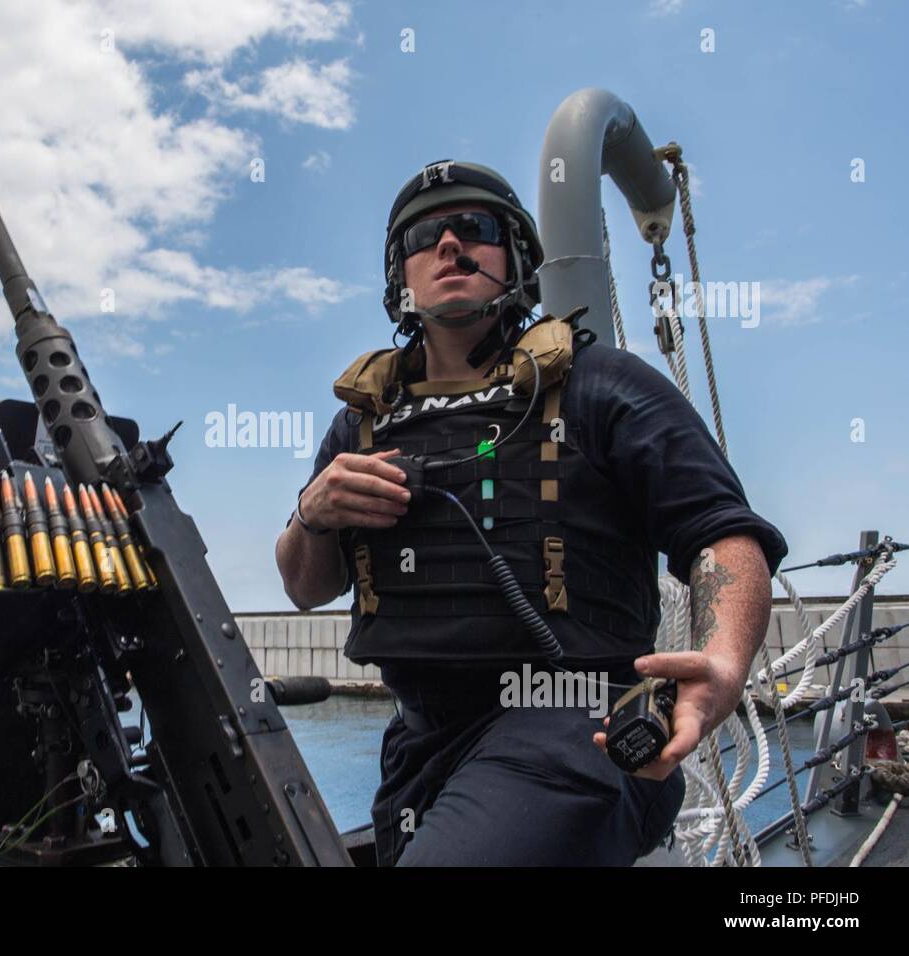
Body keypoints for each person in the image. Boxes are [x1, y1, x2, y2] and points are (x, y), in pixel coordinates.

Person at [273, 160, 788, 866]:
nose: (450, 244)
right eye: (427, 236)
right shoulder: (361, 426)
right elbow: (305, 589)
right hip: (420, 747)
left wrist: (723, 663)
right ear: (401, 275)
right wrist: (313, 514)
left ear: (514, 258)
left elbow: (722, 536)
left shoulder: (601, 384)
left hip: (580, 726)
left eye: (475, 229)